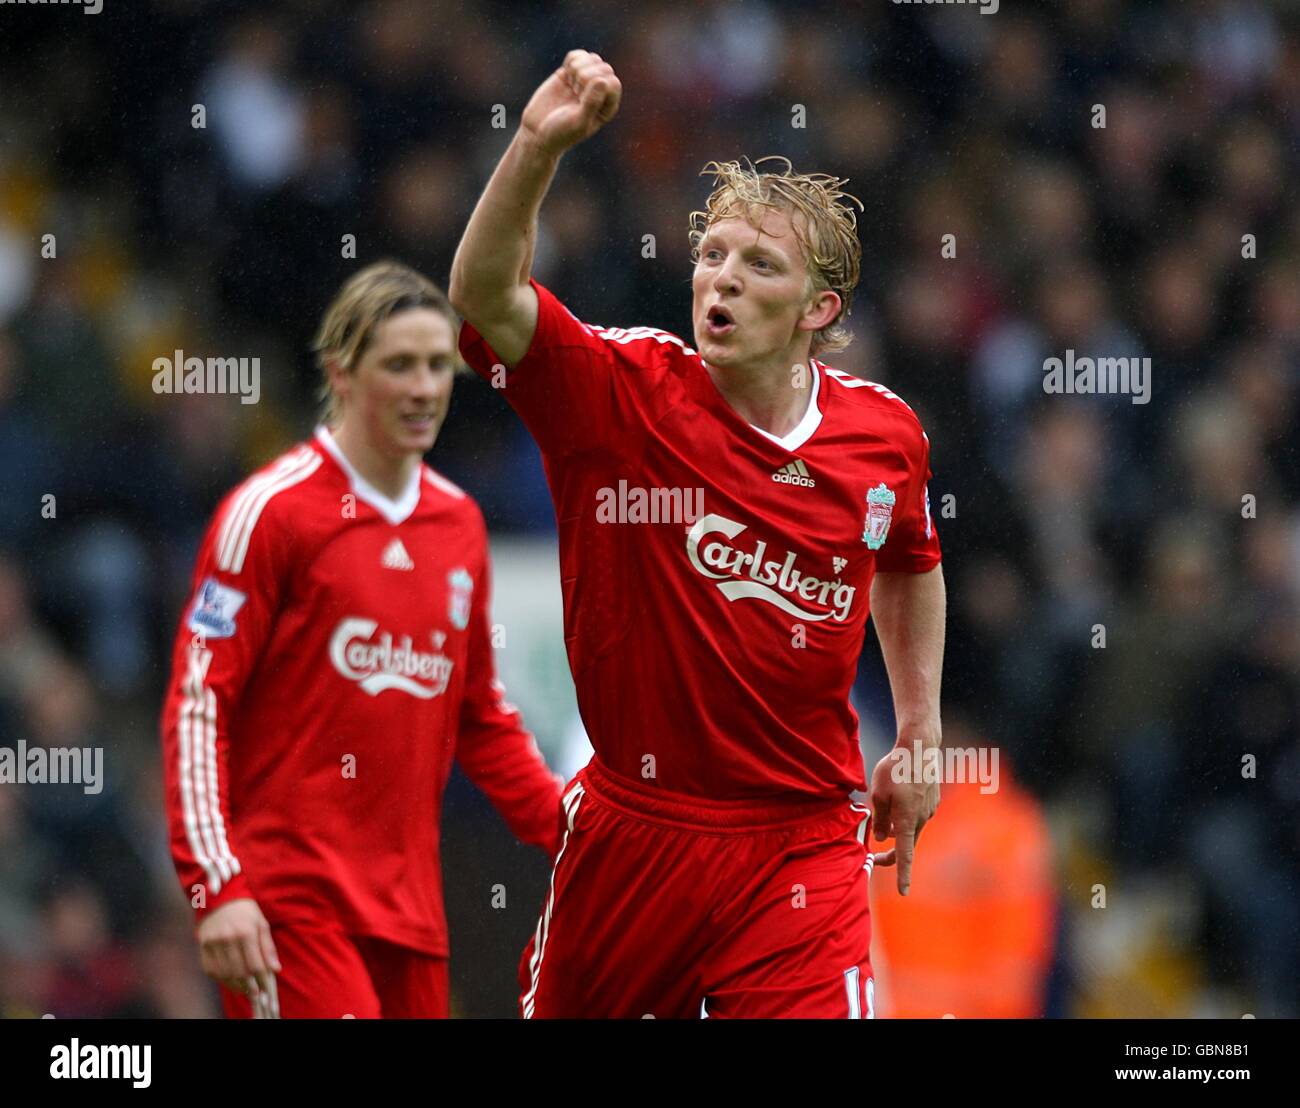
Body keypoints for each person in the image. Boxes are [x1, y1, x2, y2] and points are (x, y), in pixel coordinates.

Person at [449, 50, 946, 1018]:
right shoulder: (621, 395)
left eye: (758, 264)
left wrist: (921, 729)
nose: (721, 278)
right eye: (711, 254)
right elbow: (485, 295)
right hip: (636, 829)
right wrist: (536, 146)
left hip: (801, 834)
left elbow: (909, 562)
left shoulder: (883, 434)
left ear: (817, 310)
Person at [160, 262, 564, 1019]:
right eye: (399, 365)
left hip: (410, 919)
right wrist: (216, 887)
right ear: (341, 373)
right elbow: (198, 704)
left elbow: (478, 717)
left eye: (439, 366)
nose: (423, 388)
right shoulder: (271, 514)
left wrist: (569, 831)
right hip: (288, 908)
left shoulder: (458, 525)